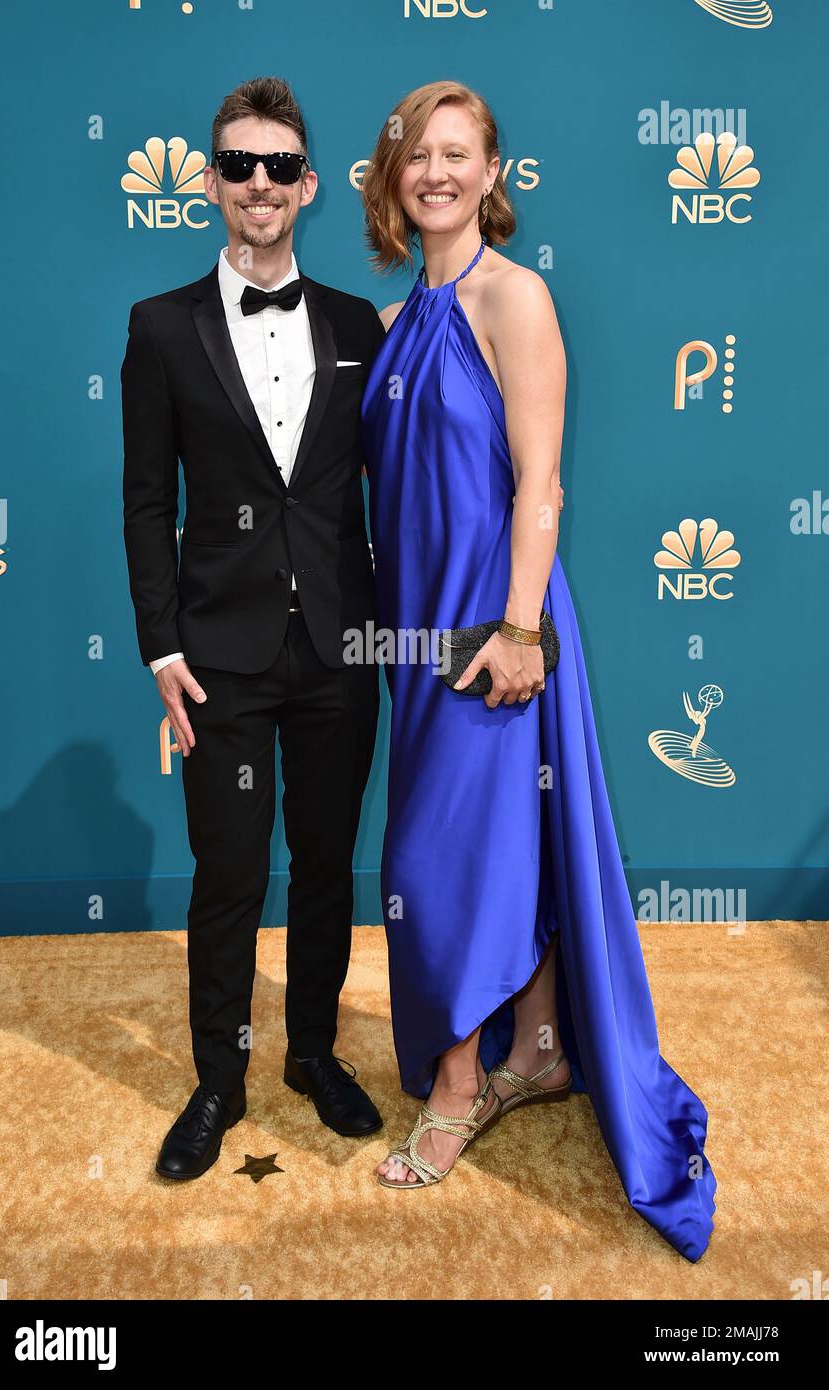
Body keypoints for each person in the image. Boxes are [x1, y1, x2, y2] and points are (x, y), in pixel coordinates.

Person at [359, 80, 716, 1262]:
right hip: (422, 637)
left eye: (458, 154)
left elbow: (540, 485)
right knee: (505, 840)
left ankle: (458, 1084)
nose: (436, 173)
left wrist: (517, 630)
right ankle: (542, 1046)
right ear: (392, 178)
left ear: (493, 174)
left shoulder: (518, 298)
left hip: (497, 628)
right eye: (417, 155)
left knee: (440, 855)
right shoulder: (406, 311)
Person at [121, 77, 384, 1180]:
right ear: (213, 185)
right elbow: (145, 499)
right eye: (239, 165)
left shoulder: (357, 323)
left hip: (339, 646)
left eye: (281, 165)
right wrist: (161, 644)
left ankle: (312, 1053)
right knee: (228, 872)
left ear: (310, 184)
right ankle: (220, 1077)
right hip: (219, 656)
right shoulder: (161, 328)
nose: (261, 184)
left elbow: (401, 487)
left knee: (325, 863)